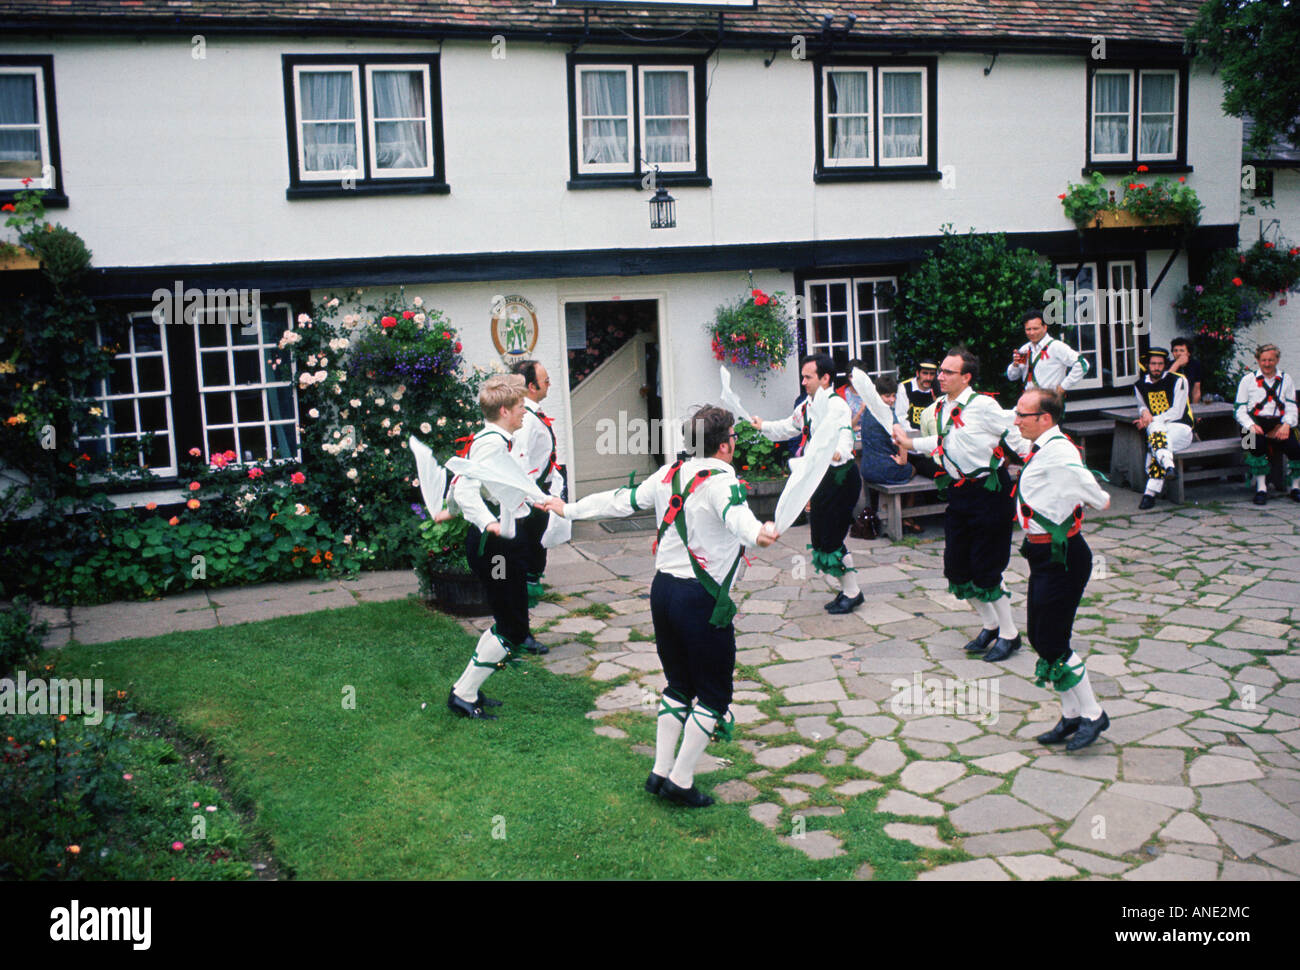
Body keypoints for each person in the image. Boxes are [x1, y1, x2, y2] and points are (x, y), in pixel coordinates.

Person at [553, 406, 779, 807]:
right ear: (725, 445)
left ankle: (659, 773)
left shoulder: (668, 474)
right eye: (732, 438)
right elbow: (738, 519)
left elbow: (621, 500)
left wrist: (570, 509)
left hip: (662, 593)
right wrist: (759, 534)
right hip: (701, 601)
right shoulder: (724, 483)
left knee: (678, 684)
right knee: (713, 694)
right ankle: (680, 780)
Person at [894, 347, 1028, 663]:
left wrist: (1035, 459)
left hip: (990, 492)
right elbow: (942, 442)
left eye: (947, 372)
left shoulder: (983, 406)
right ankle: (990, 625)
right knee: (956, 569)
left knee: (987, 569)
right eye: (940, 371)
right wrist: (907, 443)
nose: (939, 376)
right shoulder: (939, 407)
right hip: (959, 493)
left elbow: (1016, 431)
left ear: (966, 377)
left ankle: (1010, 635)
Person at [446, 375, 552, 720]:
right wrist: (486, 522)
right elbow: (462, 487)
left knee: (508, 619)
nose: (525, 412)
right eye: (521, 406)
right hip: (495, 547)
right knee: (513, 626)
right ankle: (463, 694)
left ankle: (466, 690)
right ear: (505, 410)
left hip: (504, 541)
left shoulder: (497, 439)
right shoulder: (490, 443)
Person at [1012, 387, 1112, 751]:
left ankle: (1092, 713)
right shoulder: (1041, 444)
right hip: (1044, 556)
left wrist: (1096, 496)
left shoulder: (1060, 452)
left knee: (1054, 639)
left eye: (1023, 415)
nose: (1016, 420)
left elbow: (1090, 488)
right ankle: (1071, 714)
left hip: (1064, 556)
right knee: (1041, 638)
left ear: (1045, 419)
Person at [753, 354, 863, 613]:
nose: (803, 382)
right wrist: (762, 426)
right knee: (821, 540)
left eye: (808, 377)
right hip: (821, 478)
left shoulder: (837, 406)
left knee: (832, 540)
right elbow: (789, 427)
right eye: (802, 377)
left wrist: (840, 451)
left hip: (841, 478)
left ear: (825, 378)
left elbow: (845, 434)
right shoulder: (806, 406)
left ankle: (852, 591)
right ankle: (848, 589)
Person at [510, 358, 565, 653]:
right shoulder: (527, 421)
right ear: (531, 387)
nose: (549, 384)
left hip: (538, 500)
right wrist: (534, 501)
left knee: (532, 565)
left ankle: (518, 630)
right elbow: (520, 463)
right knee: (524, 569)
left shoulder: (530, 415)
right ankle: (520, 633)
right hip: (530, 505)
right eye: (545, 380)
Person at [1234, 343, 1300, 505]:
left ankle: (1295, 487)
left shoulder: (1286, 379)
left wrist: (1286, 425)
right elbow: (1239, 409)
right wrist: (1250, 425)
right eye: (1263, 360)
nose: (1267, 364)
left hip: (1279, 423)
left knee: (1295, 447)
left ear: (1277, 360)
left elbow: (1291, 407)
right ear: (1257, 360)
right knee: (1254, 444)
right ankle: (1261, 488)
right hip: (1251, 424)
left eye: (1271, 360)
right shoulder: (1247, 380)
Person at [857, 373, 919, 533]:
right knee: (913, 469)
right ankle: (907, 516)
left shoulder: (868, 412)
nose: (891, 400)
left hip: (867, 469)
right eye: (887, 396)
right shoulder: (887, 413)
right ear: (877, 395)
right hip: (883, 470)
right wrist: (903, 460)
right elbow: (902, 436)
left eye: (894, 396)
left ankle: (892, 512)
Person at [1133, 347, 1194, 510]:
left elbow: (1177, 411)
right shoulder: (1139, 385)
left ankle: (1151, 493)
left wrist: (1150, 419)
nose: (1156, 368)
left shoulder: (1178, 380)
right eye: (1153, 364)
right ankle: (1167, 469)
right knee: (1158, 436)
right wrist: (1143, 411)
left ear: (1166, 365)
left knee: (1155, 438)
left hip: (1180, 427)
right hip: (1159, 431)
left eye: (1160, 364)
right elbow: (1141, 406)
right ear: (1147, 365)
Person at [1006, 309, 1088, 393]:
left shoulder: (1056, 346)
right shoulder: (1024, 349)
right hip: (1028, 401)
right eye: (1028, 329)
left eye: (1035, 328)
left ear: (1045, 328)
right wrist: (1015, 365)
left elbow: (1083, 364)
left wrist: (1063, 386)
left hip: (1049, 402)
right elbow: (1012, 377)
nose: (1032, 332)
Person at [894, 359, 942, 480]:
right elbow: (901, 418)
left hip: (932, 448)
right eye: (925, 373)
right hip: (911, 448)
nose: (928, 378)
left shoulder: (937, 390)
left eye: (932, 374)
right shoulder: (905, 387)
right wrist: (917, 442)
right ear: (917, 373)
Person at [1168, 337, 1204, 404]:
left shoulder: (1195, 365)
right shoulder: (1169, 365)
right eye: (1175, 350)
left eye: (1182, 351)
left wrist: (1194, 406)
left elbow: (1196, 389)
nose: (1178, 353)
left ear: (1188, 353)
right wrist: (1177, 363)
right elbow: (1166, 381)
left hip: (1189, 402)